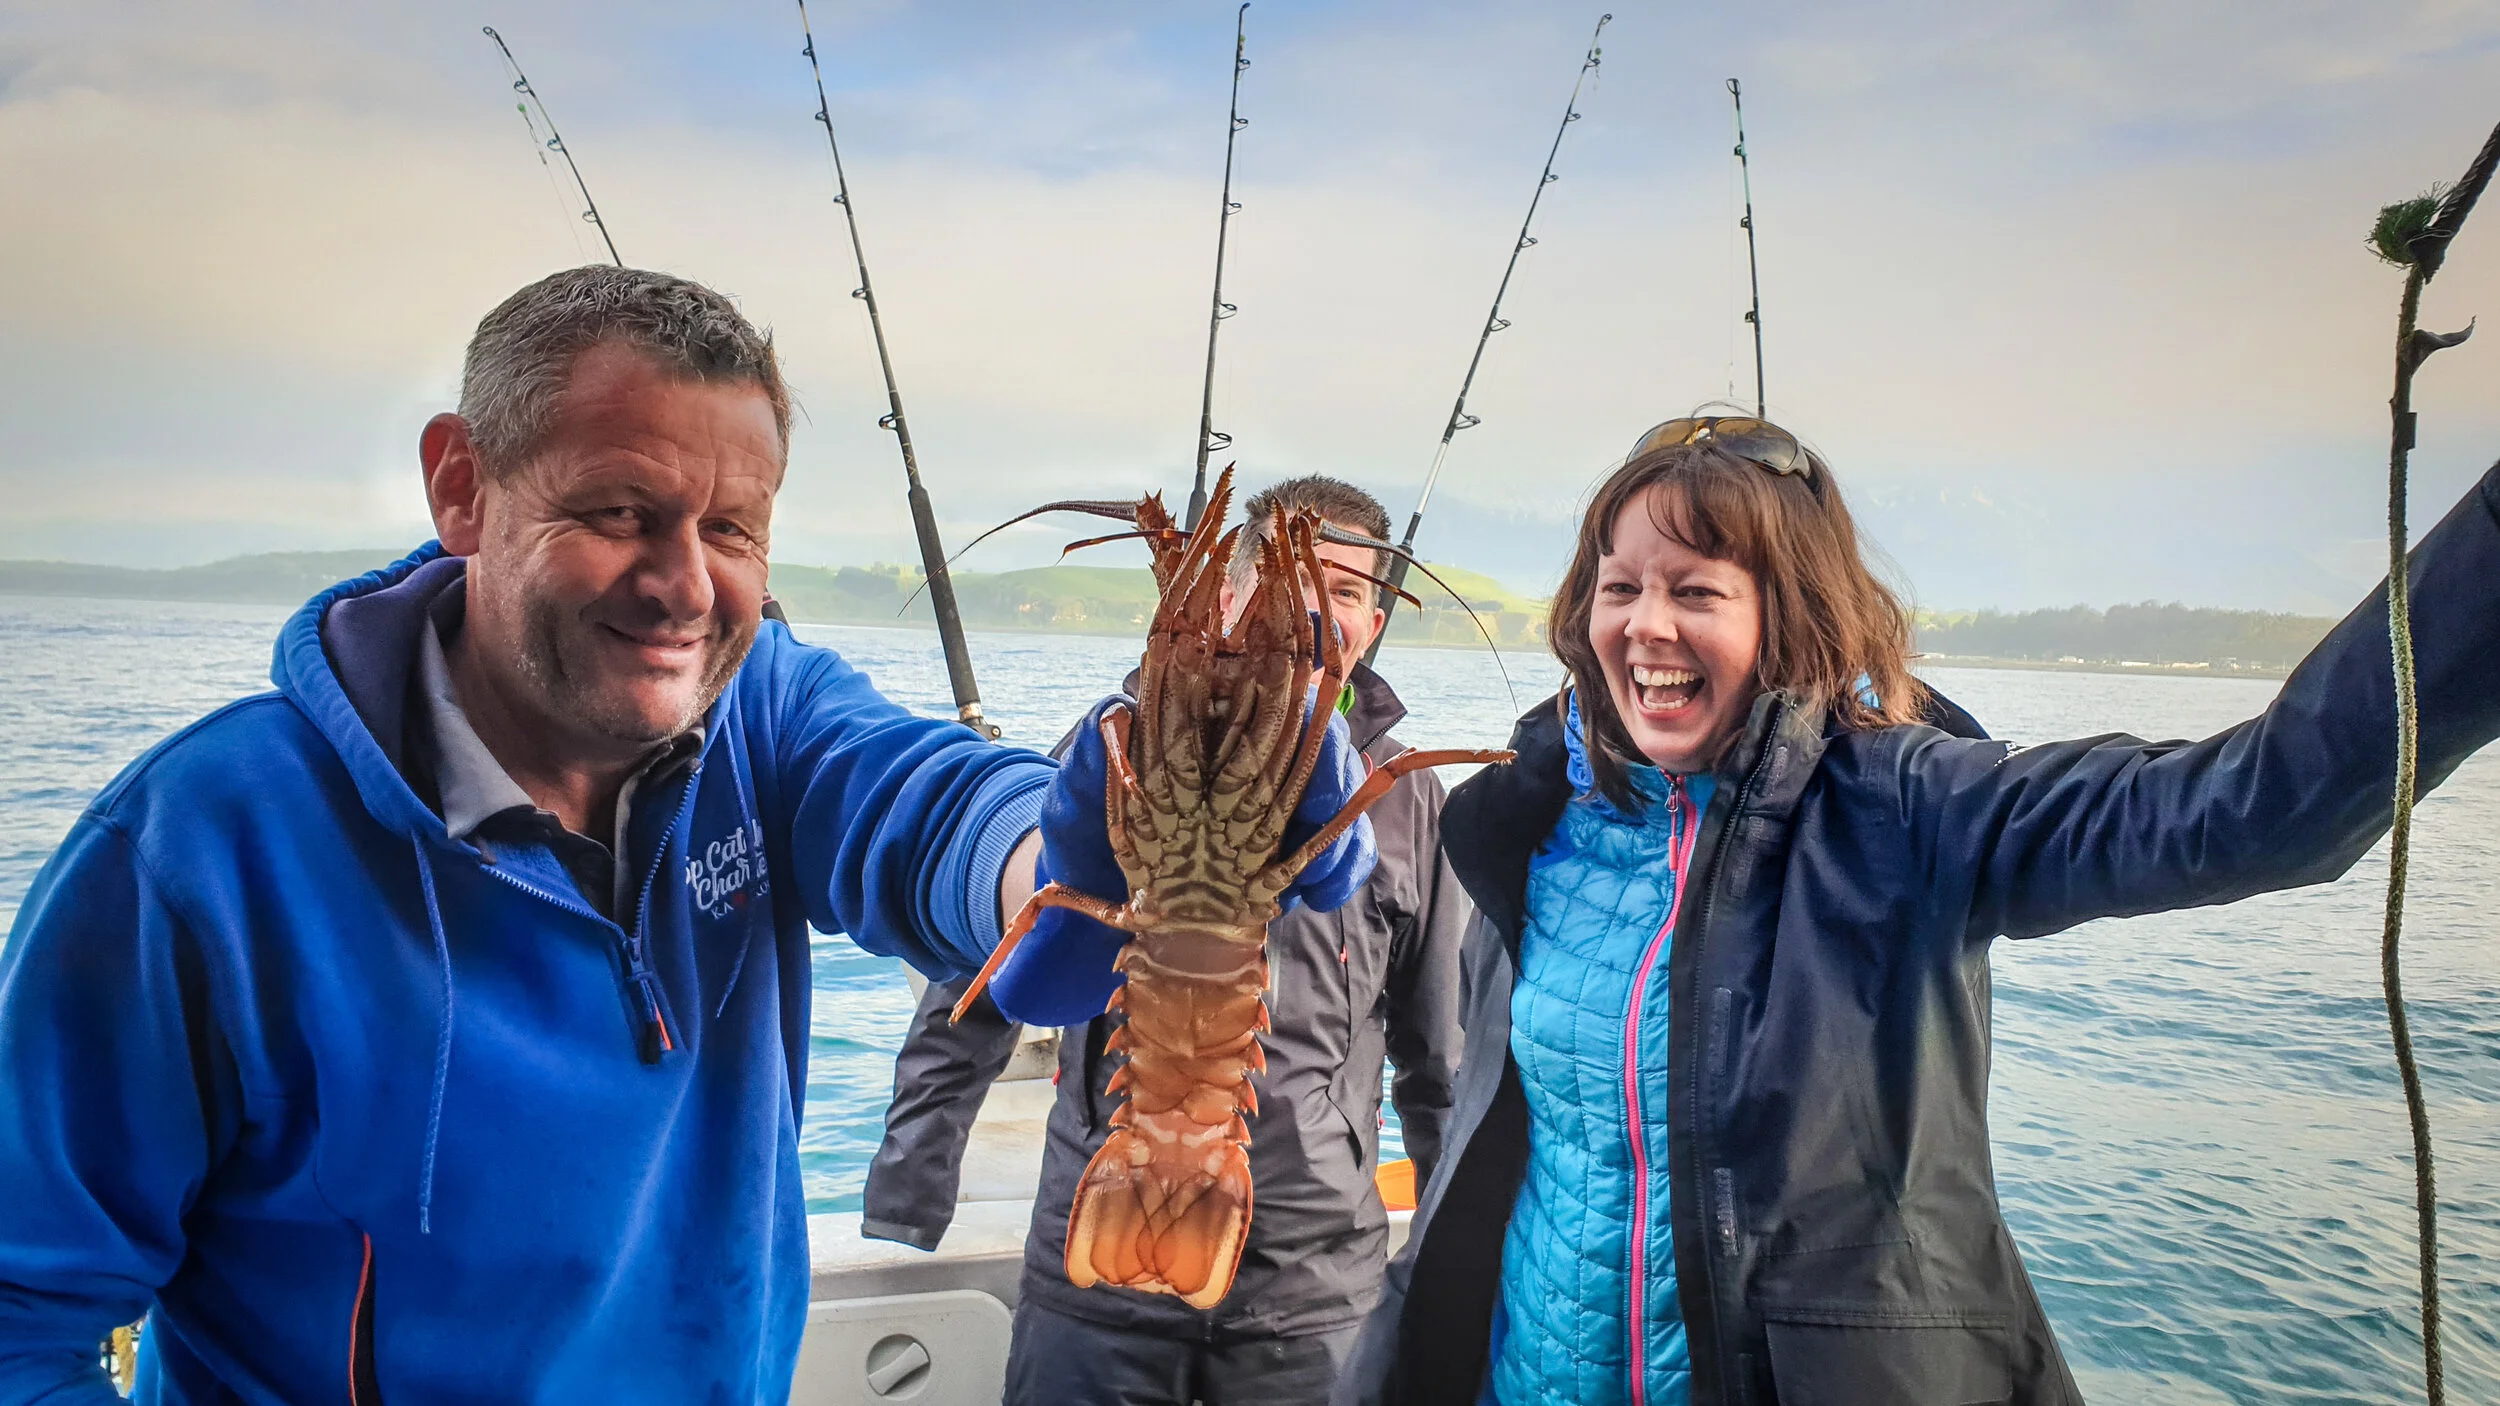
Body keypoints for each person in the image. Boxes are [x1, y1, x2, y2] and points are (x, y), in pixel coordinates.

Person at [0, 265, 1377, 1404]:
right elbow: (20, 1313)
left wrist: (1089, 854)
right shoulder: (198, 851)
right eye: (619, 512)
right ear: (462, 485)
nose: (684, 584)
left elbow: (937, 812)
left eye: (733, 527)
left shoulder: (763, 709)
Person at [1335, 416, 2500, 1406]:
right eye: (1620, 586)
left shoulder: (1907, 806)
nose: (1646, 625)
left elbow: (2253, 805)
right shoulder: (1535, 815)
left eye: (1695, 591)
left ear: (1785, 612)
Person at [860, 476, 1474, 1404]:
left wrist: (1449, 1247)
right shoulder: (1115, 747)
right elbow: (999, 949)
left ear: (1375, 624)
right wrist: (912, 1181)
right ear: (1225, 597)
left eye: (1347, 592)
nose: (1318, 611)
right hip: (1097, 1262)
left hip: (1312, 1287)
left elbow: (1439, 1053)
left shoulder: (1410, 801)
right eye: (1292, 584)